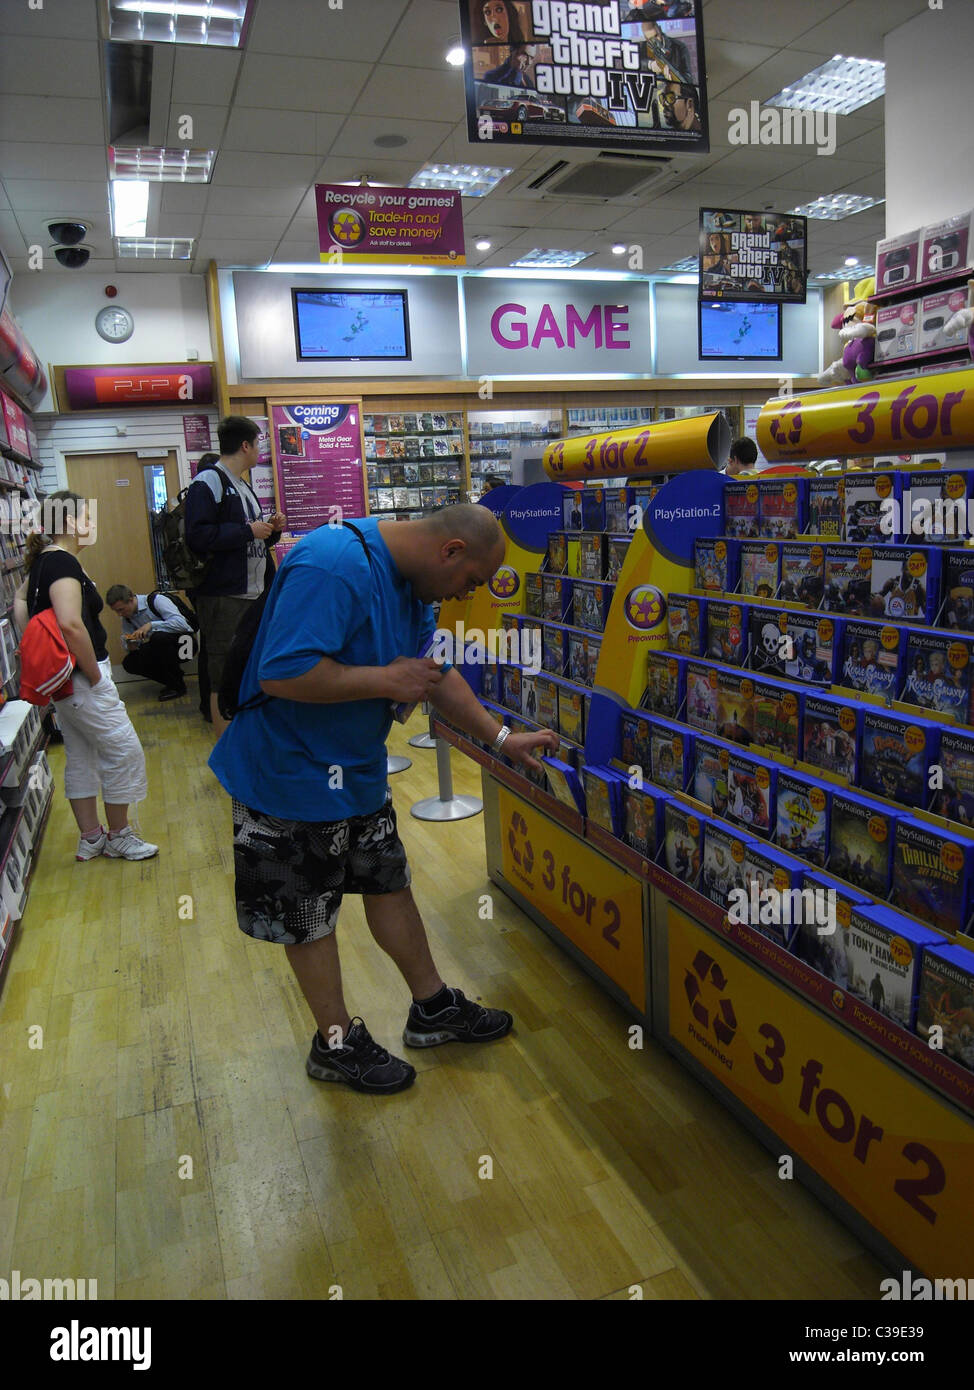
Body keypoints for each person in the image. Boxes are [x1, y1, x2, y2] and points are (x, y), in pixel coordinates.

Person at [208, 505, 559, 1096]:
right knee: (308, 917)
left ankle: (431, 1007)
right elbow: (281, 673)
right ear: (449, 551)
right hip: (285, 776)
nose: (464, 595)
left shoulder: (413, 587)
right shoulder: (332, 564)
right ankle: (334, 1042)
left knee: (389, 885)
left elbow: (432, 674)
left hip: (355, 770)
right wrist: (382, 680)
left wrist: (501, 737)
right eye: (469, 581)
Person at [12, 492, 158, 862]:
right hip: (82, 677)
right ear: (72, 522)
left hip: (66, 681)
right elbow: (70, 623)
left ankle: (91, 838)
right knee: (124, 751)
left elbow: (20, 605)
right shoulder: (62, 562)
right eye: (88, 518)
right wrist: (95, 675)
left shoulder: (41, 563)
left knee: (82, 757)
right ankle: (120, 836)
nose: (93, 525)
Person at [184, 417, 286, 736]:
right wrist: (247, 530)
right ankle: (226, 749)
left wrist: (271, 530)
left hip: (252, 593)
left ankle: (247, 738)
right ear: (245, 445)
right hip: (224, 596)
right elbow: (197, 536)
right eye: (258, 444)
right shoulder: (208, 482)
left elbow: (251, 539)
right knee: (222, 672)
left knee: (247, 667)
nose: (259, 451)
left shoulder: (242, 485)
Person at [106, 584, 194, 701]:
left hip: (186, 646)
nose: (119, 614)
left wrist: (151, 625)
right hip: (162, 648)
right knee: (130, 662)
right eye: (116, 611)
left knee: (158, 638)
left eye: (121, 609)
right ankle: (173, 681)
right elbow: (128, 642)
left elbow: (183, 625)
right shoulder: (127, 617)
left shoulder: (156, 601)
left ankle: (178, 686)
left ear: (131, 600)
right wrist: (131, 645)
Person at [190, 450, 220, 723]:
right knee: (216, 647)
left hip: (197, 582)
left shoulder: (190, 496)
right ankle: (213, 707)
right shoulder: (206, 495)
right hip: (213, 584)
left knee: (209, 644)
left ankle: (206, 704)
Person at [638, 16, 692, 84]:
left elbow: (688, 78)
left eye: (656, 36)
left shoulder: (679, 47)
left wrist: (673, 81)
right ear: (646, 39)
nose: (656, 41)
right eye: (651, 39)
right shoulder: (642, 49)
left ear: (660, 29)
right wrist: (650, 65)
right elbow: (635, 63)